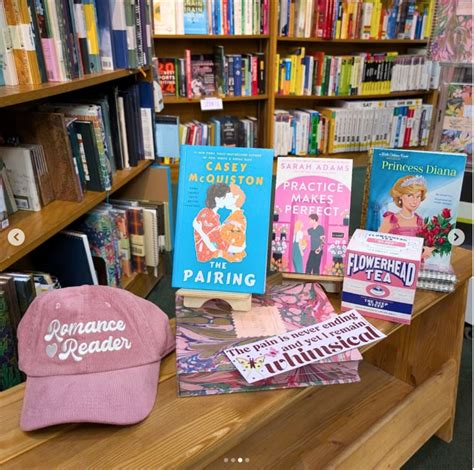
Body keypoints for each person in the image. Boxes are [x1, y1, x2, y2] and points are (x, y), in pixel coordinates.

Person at [379, 175, 435, 259]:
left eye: (418, 196)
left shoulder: (420, 221)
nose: (415, 201)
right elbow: (379, 246)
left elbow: (427, 246)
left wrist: (427, 250)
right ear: (400, 196)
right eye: (410, 195)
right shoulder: (390, 220)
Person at [192, 183, 230, 262]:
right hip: (206, 259)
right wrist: (200, 230)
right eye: (225, 198)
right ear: (217, 199)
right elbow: (212, 247)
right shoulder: (207, 215)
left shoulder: (213, 215)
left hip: (211, 258)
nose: (227, 200)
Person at [220, 184, 247, 262]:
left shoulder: (238, 217)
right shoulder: (232, 215)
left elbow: (238, 243)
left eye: (226, 197)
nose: (224, 200)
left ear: (236, 197)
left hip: (231, 258)